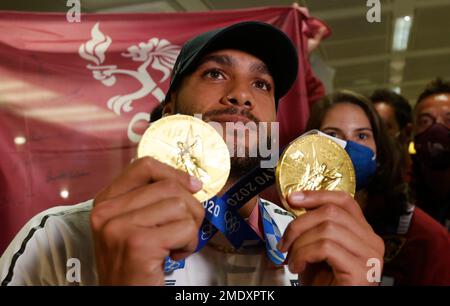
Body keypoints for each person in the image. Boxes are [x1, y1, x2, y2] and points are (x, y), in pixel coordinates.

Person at [0, 21, 383, 286]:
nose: (242, 95)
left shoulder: (315, 245)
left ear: (274, 126)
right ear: (169, 111)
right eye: (215, 73)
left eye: (262, 84)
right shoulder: (59, 237)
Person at [305, 90, 450, 285]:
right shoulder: (289, 219)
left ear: (379, 152)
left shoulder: (424, 237)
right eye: (332, 135)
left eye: (362, 135)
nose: (348, 146)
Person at [411, 78, 450, 229]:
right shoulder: (397, 197)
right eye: (425, 121)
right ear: (412, 133)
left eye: (449, 120)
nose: (437, 129)